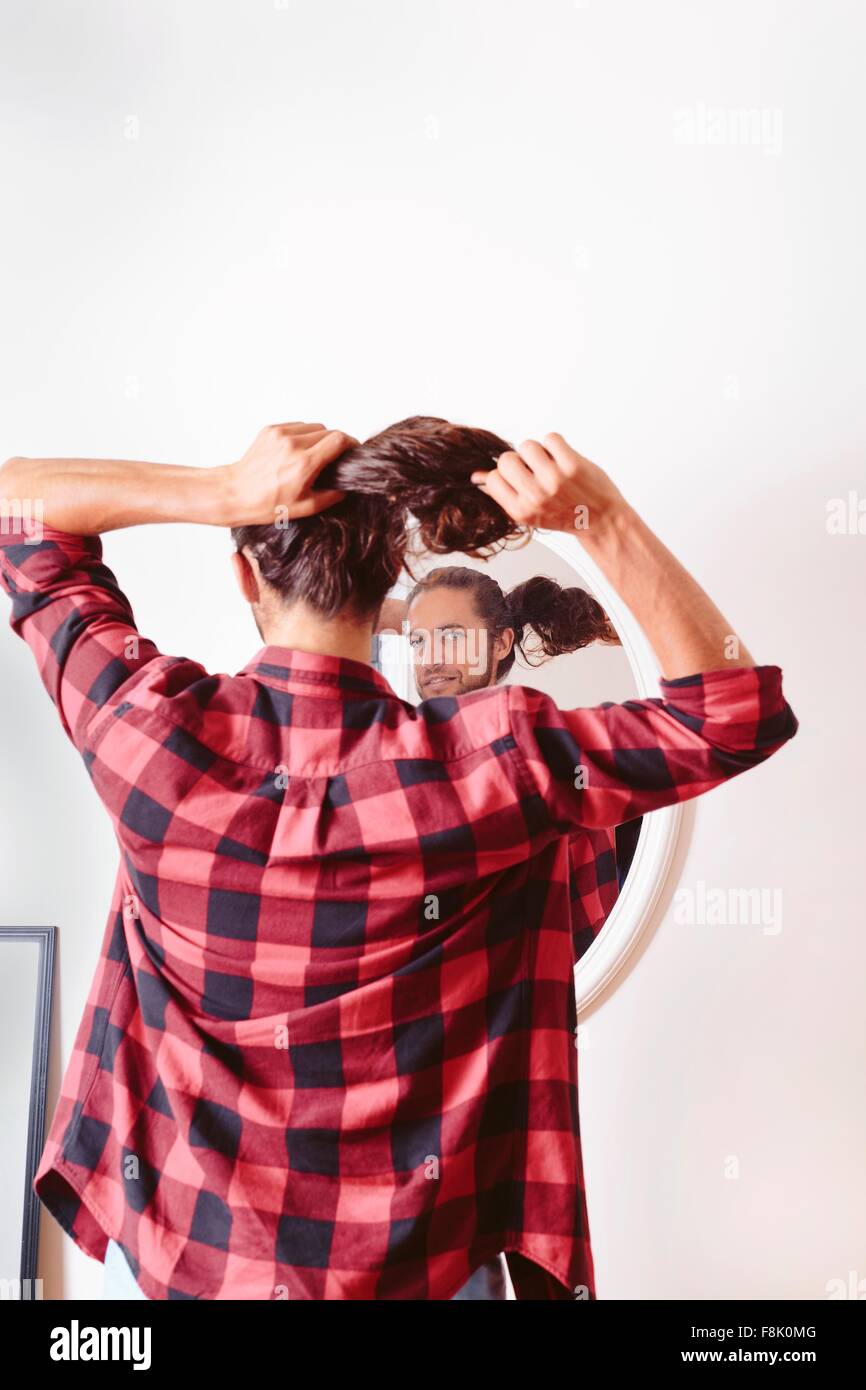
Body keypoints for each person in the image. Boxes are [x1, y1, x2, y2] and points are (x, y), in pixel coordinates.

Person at [0, 416, 798, 1300]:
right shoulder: (490, 764)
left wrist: (221, 491)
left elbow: (19, 505)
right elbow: (732, 719)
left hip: (185, 1258)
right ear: (392, 589)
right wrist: (597, 516)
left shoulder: (150, 731)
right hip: (426, 1272)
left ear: (243, 576)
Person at [373, 564, 643, 1299]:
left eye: (453, 636)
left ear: (501, 646)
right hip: (410, 1090)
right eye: (417, 639)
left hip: (504, 1077)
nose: (430, 657)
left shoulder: (542, 751)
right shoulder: (396, 757)